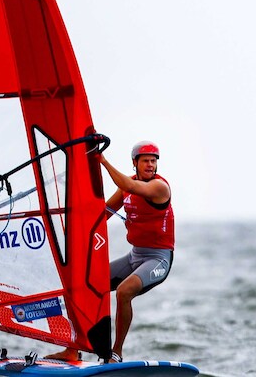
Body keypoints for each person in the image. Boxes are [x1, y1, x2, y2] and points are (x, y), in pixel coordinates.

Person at [45, 140, 176, 364]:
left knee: (124, 292)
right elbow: (102, 214)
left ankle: (116, 353)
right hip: (135, 256)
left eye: (153, 161)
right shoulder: (127, 188)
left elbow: (131, 186)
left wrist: (103, 161)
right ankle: (73, 349)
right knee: (82, 285)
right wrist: (71, 227)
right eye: (145, 161)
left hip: (158, 259)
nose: (150, 165)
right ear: (135, 163)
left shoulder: (159, 187)